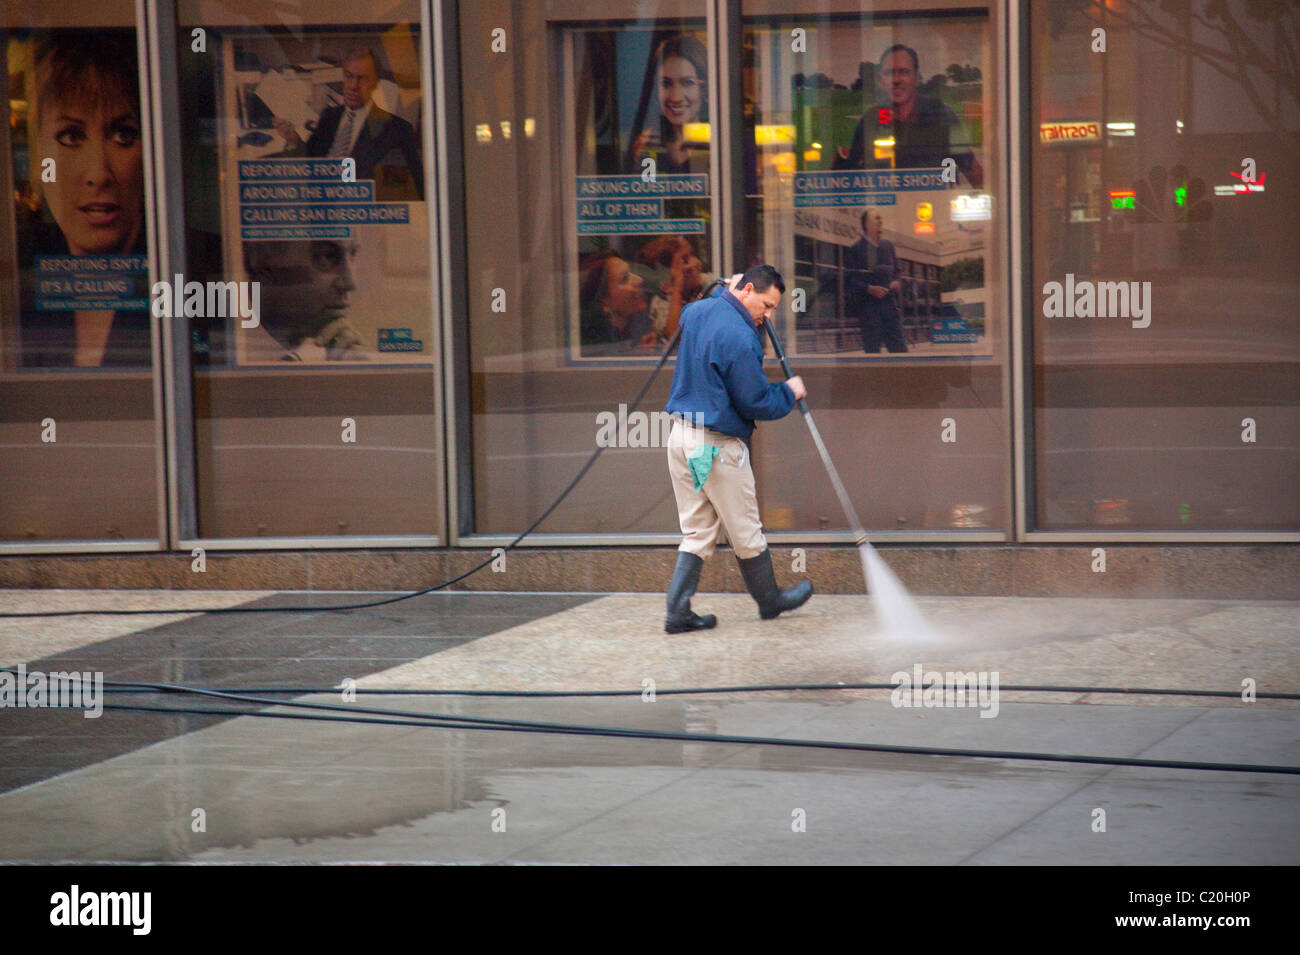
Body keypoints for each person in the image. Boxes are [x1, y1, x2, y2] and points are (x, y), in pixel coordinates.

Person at [662, 264, 814, 632]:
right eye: (766, 304)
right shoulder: (741, 338)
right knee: (745, 530)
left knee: (697, 531)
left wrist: (724, 295)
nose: (768, 314)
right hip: (715, 447)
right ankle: (770, 601)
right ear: (746, 291)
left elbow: (699, 313)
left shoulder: (697, 311)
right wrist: (788, 393)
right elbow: (755, 401)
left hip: (682, 439)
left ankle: (677, 612)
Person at [18, 31, 151, 368]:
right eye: (71, 136)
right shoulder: (16, 272)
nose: (98, 173)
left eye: (123, 135)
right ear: (38, 155)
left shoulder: (203, 272)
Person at [274, 46, 424, 201]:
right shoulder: (330, 117)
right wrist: (294, 140)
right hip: (320, 207)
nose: (353, 86)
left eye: (362, 78)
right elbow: (311, 161)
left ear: (375, 83)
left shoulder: (396, 129)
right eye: (349, 76)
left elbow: (412, 189)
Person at [836, 44, 983, 187]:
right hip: (887, 209)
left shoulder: (940, 114)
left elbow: (970, 167)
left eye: (904, 72)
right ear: (881, 81)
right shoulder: (871, 121)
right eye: (889, 73)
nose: (896, 80)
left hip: (936, 205)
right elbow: (850, 180)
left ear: (917, 78)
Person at [241, 239, 371, 362]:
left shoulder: (345, 348)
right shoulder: (230, 346)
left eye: (353, 254)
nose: (350, 284)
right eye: (327, 256)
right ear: (261, 263)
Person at [627, 34, 708, 175]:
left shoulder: (722, 141)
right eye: (666, 84)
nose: (676, 97)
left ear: (704, 89)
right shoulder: (649, 145)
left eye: (687, 83)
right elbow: (648, 191)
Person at [844, 208, 907, 353]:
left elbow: (897, 272)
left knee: (900, 350)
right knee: (872, 352)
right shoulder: (856, 249)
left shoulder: (888, 246)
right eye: (876, 218)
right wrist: (869, 289)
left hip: (890, 307)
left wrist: (897, 282)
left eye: (880, 218)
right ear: (866, 224)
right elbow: (850, 281)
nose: (880, 221)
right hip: (869, 310)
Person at [578, 249, 656, 354]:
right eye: (625, 278)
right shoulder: (601, 347)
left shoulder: (641, 329)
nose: (639, 279)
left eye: (631, 273)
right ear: (604, 303)